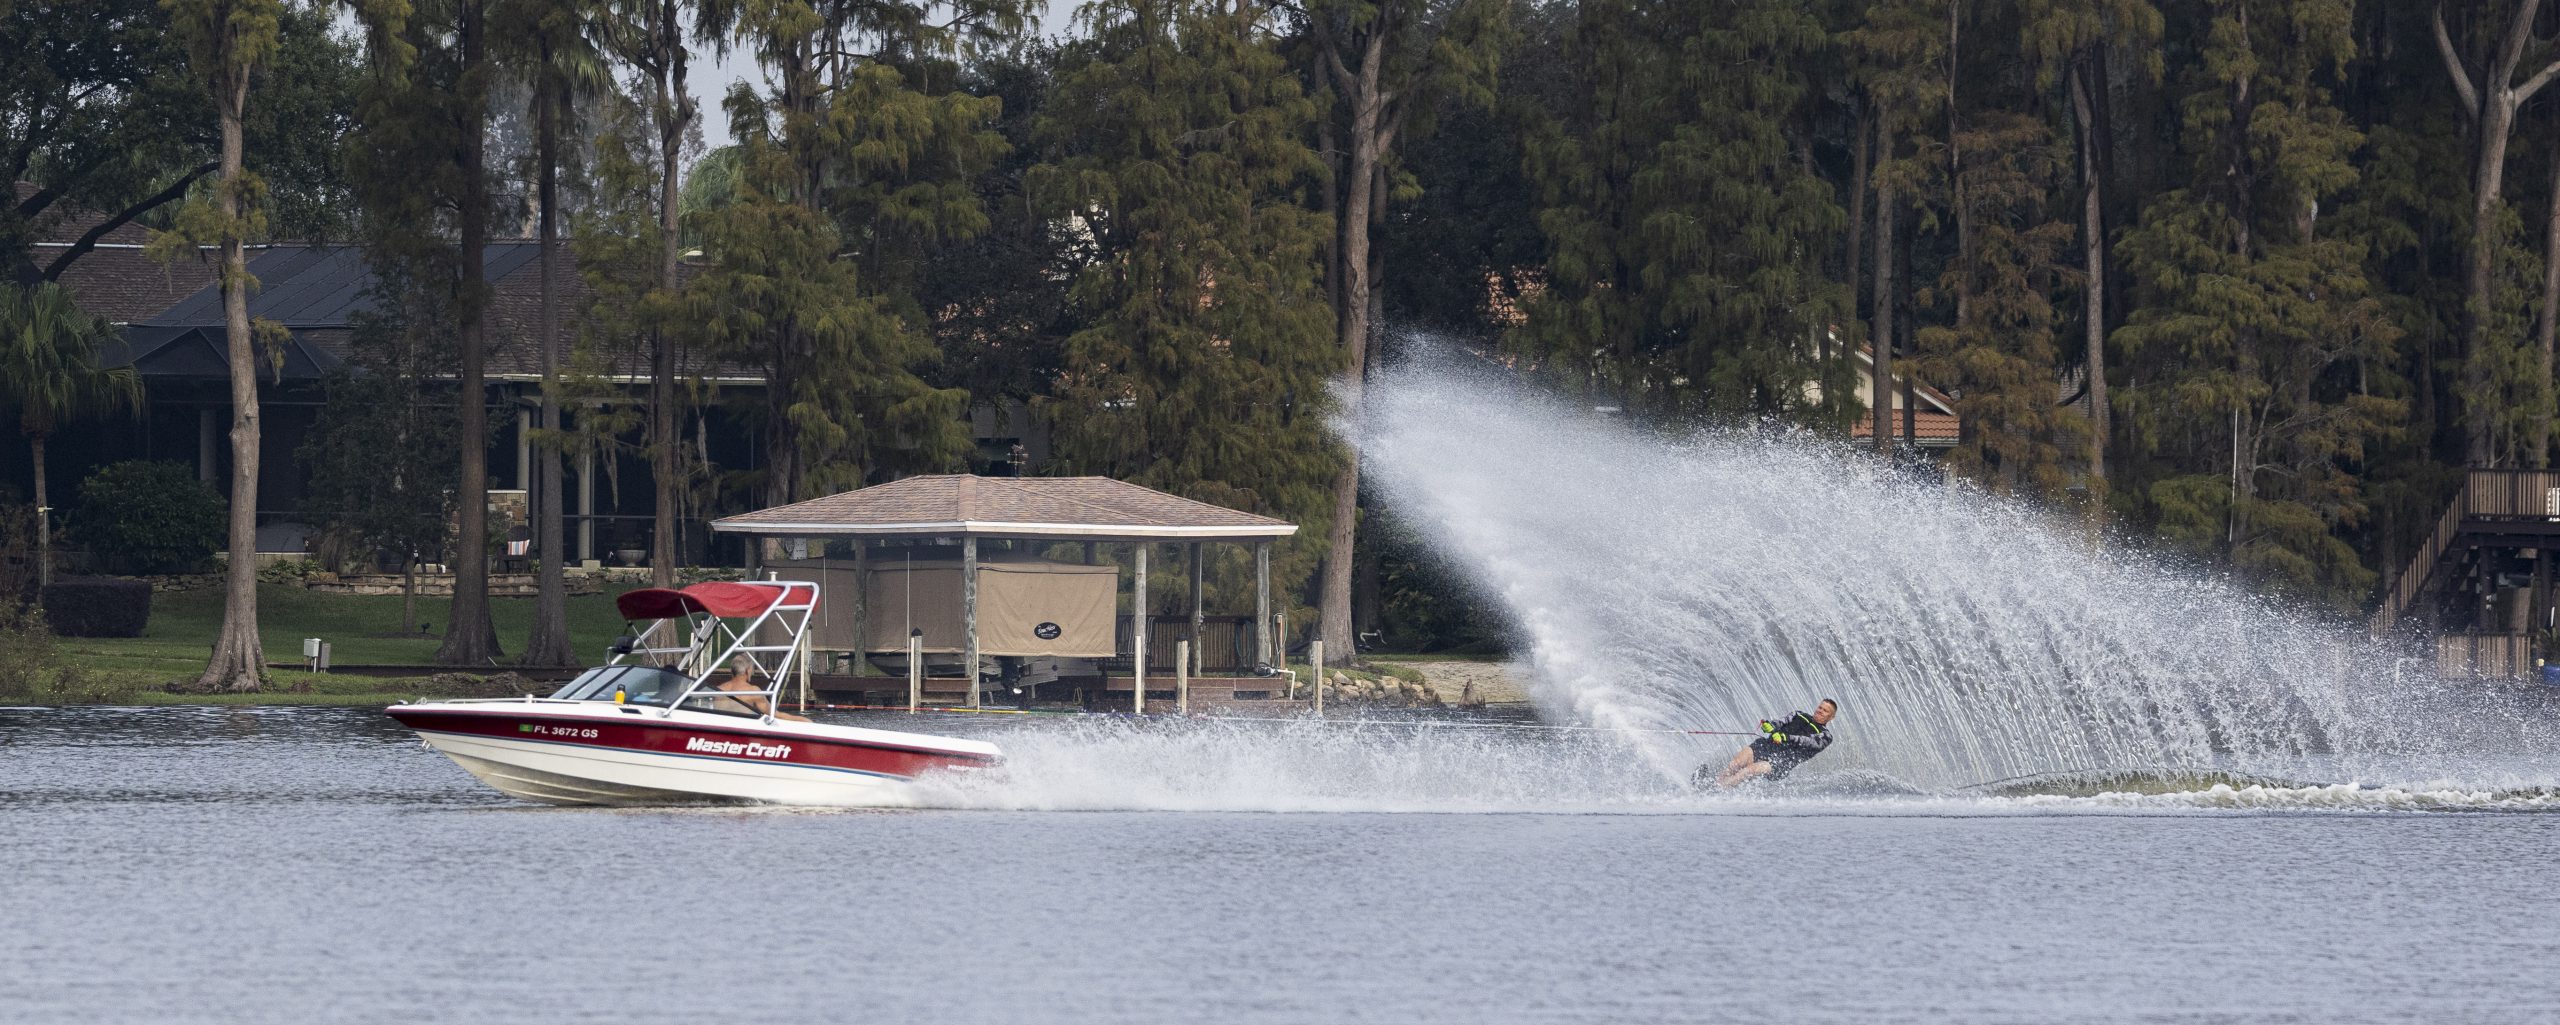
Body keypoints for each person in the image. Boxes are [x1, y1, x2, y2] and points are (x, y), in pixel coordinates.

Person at [1701, 698, 1838, 788]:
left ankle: (1718, 790)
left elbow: (1807, 742)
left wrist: (1784, 737)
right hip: (1767, 746)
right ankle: (1713, 784)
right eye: (1820, 707)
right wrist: (1770, 725)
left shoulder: (1825, 736)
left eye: (1825, 710)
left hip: (1781, 762)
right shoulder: (1798, 714)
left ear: (1831, 717)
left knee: (1746, 771)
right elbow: (1780, 722)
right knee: (1735, 764)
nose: (1820, 711)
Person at [706, 659, 809, 722]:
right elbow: (775, 715)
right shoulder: (753, 691)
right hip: (745, 733)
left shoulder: (719, 690)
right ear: (747, 671)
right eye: (751, 670)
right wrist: (803, 720)